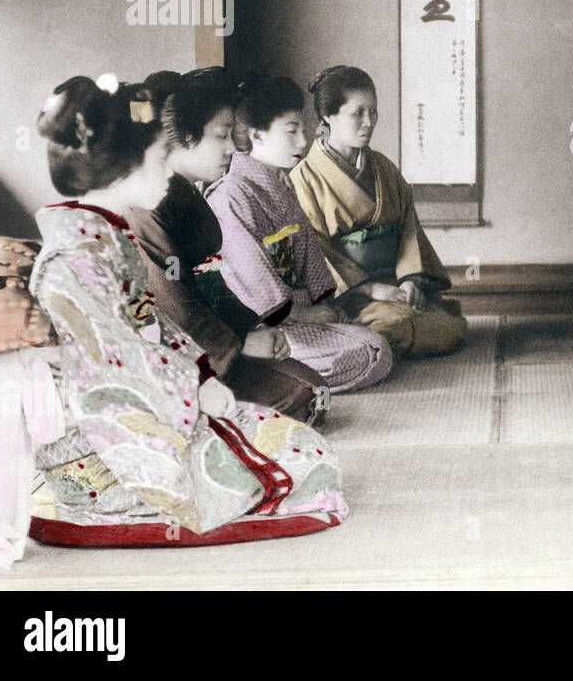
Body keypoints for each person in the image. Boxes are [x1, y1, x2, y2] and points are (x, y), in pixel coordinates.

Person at [25, 75, 346, 545]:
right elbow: (113, 367)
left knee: (303, 451)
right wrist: (192, 393)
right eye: (159, 156)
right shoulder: (73, 257)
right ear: (123, 166)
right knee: (295, 476)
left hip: (153, 399)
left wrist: (202, 377)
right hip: (104, 436)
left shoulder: (108, 237)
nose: (166, 167)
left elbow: (154, 330)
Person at [127, 68, 328, 425]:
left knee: (313, 390)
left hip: (215, 337)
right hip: (175, 347)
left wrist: (252, 328)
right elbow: (175, 302)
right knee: (306, 396)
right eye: (221, 136)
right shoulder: (149, 206)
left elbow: (214, 286)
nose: (233, 148)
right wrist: (238, 346)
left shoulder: (189, 194)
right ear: (183, 138)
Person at [204, 75, 393, 392]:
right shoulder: (230, 196)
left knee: (375, 345)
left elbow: (307, 251)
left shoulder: (282, 183)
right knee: (369, 351)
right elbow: (251, 276)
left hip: (301, 313)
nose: (302, 142)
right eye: (292, 131)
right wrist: (303, 313)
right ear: (256, 135)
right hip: (266, 325)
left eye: (303, 131)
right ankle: (257, 371)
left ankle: (286, 376)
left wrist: (321, 305)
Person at [290, 66, 466, 358]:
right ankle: (363, 341)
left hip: (395, 286)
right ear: (328, 116)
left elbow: (409, 229)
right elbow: (315, 250)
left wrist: (410, 279)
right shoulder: (305, 177)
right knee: (395, 327)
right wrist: (369, 289)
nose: (368, 122)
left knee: (450, 326)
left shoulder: (383, 167)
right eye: (357, 113)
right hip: (348, 297)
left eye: (373, 111)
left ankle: (373, 346)